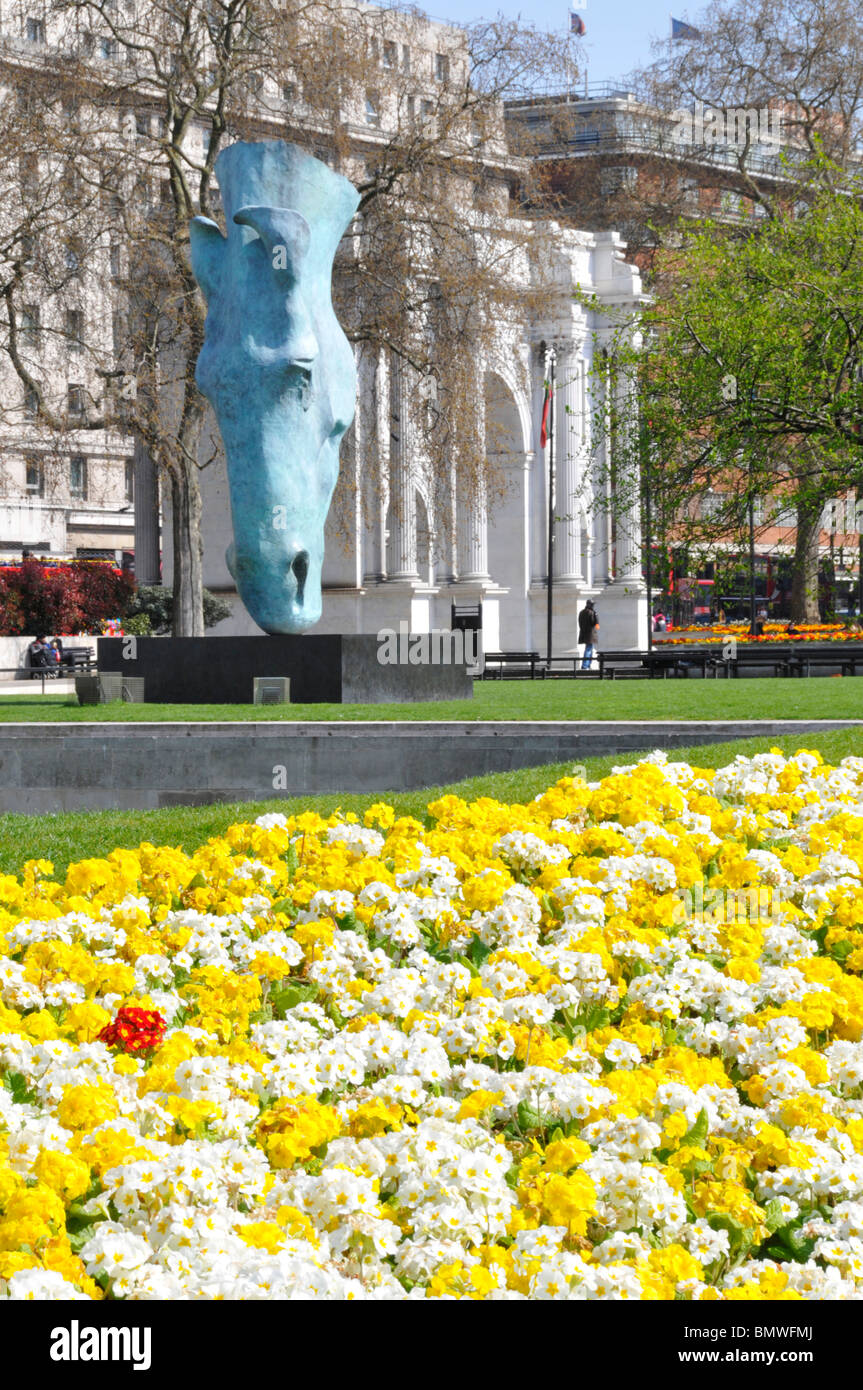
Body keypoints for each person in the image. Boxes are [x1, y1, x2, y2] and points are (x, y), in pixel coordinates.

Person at [578, 600, 599, 671]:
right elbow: (595, 624)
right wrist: (596, 616)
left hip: (584, 633)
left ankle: (588, 665)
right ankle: (585, 665)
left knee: (589, 649)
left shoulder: (581, 612)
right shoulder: (591, 613)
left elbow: (580, 623)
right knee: (588, 650)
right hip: (590, 634)